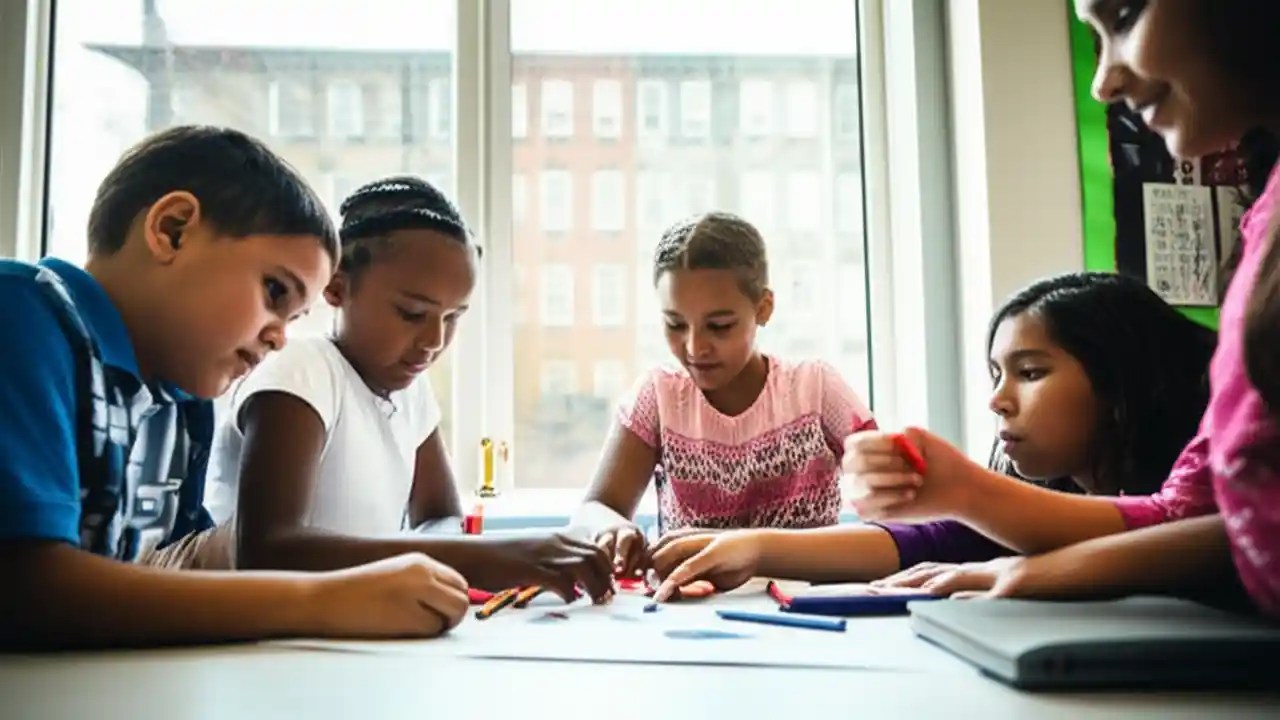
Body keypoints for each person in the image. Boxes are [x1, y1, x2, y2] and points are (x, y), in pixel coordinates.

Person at [843, 0, 1280, 615]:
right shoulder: (1264, 219)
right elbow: (1200, 518)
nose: (1103, 81)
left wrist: (1010, 540)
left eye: (1123, 18)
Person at [0, 127, 470, 650]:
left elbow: (163, 581)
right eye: (274, 291)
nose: (279, 337)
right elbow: (26, 585)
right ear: (173, 230)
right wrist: (324, 599)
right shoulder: (22, 314)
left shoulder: (178, 407)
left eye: (294, 318)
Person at [649, 272, 1215, 598]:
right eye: (995, 375)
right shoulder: (1043, 509)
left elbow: (1180, 530)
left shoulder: (1218, 491)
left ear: (1119, 381)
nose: (997, 400)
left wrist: (966, 493)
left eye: (1030, 373)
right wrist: (754, 545)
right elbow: (932, 539)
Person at [201, 176, 613, 603]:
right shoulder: (300, 370)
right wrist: (485, 557)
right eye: (412, 313)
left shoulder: (410, 391)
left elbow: (439, 517)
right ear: (337, 288)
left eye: (453, 317)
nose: (435, 340)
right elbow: (268, 550)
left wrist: (478, 558)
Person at [573, 212, 875, 577]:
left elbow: (892, 509)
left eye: (719, 326)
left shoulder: (816, 389)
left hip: (808, 598)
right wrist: (610, 527)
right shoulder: (659, 397)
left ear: (763, 309)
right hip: (691, 603)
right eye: (675, 324)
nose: (695, 347)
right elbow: (594, 509)